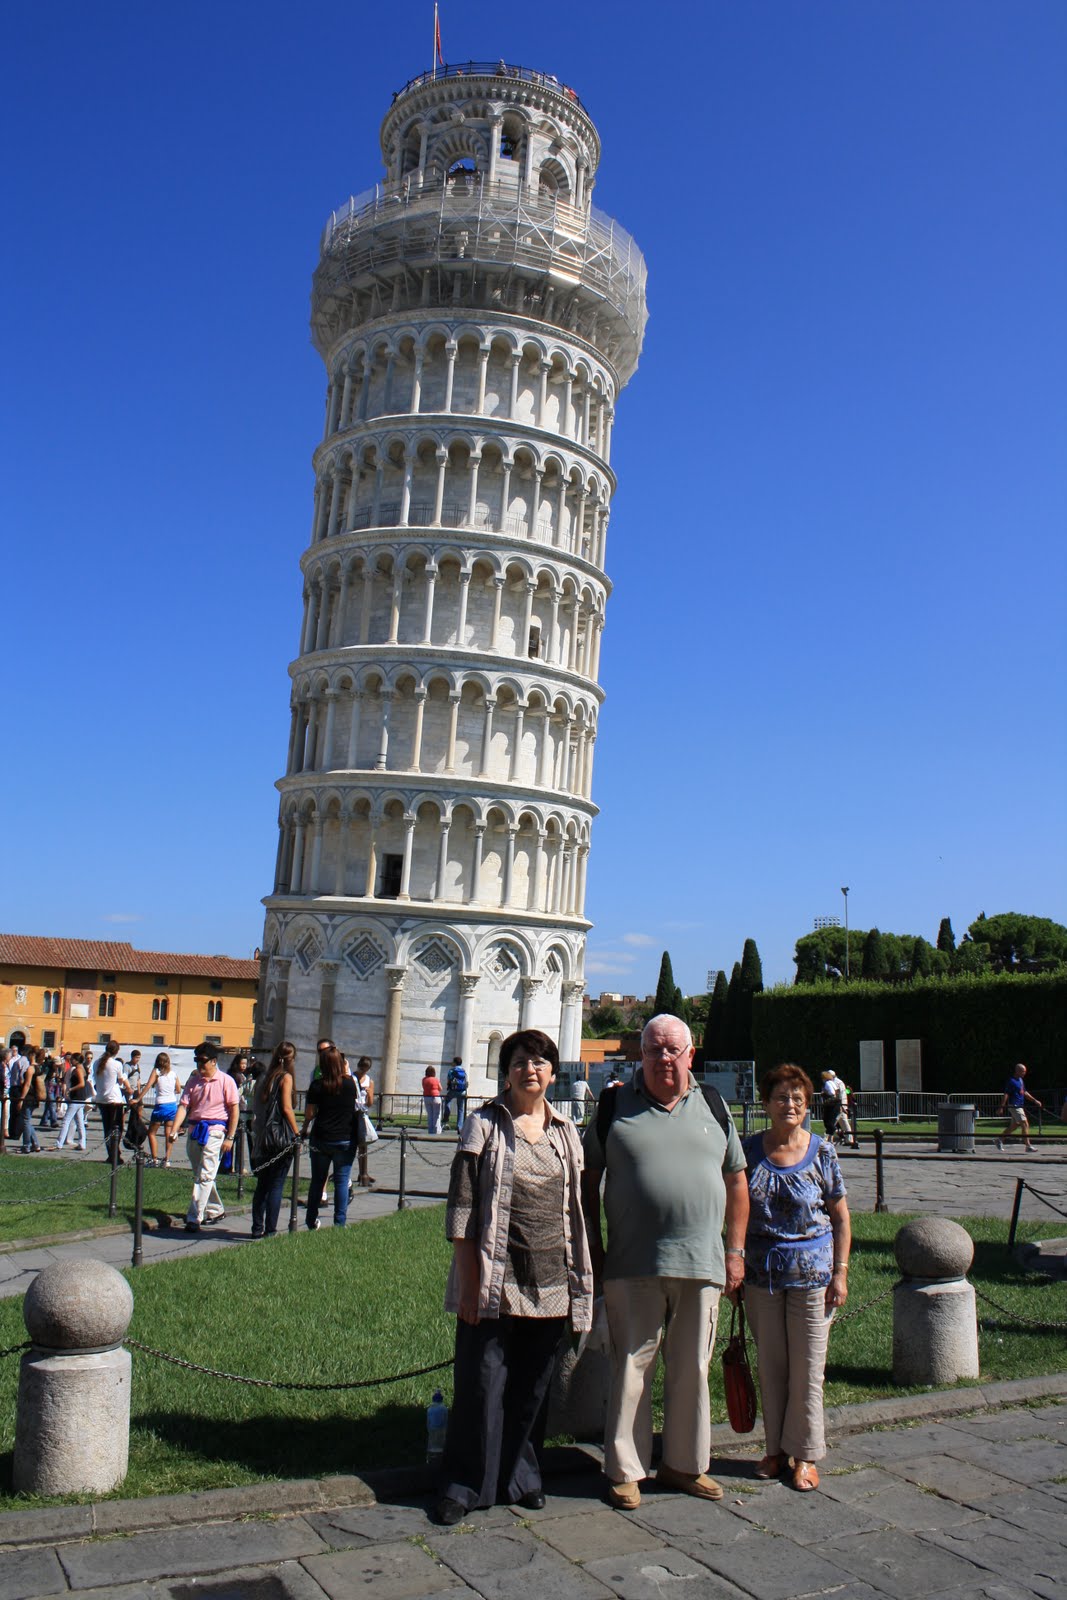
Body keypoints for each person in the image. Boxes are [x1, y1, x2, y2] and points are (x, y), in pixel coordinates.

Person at [582, 1013, 748, 1511]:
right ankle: (625, 1469)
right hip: (633, 1262)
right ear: (640, 1054)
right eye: (654, 1049)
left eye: (673, 1049)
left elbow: (737, 1180)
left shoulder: (714, 1105)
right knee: (631, 1365)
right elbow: (587, 1181)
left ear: (690, 1055)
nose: (664, 1058)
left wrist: (736, 1251)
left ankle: (684, 1464)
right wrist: (594, 1246)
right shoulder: (614, 1104)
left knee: (692, 1368)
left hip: (702, 1262)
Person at [435, 1028, 593, 1525]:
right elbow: (462, 1205)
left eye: (541, 1061)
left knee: (532, 1387)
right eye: (522, 1060)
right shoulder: (483, 1124)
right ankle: (466, 1484)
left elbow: (577, 1210)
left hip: (551, 1278)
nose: (532, 1069)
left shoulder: (566, 1131)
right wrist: (466, 1277)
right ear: (507, 1070)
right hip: (493, 1277)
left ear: (552, 1072)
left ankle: (520, 1476)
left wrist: (583, 1280)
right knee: (482, 1384)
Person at [742, 1063, 850, 1493]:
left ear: (808, 1107)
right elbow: (734, 1212)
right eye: (781, 1097)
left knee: (808, 1369)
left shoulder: (822, 1152)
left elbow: (841, 1217)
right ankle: (773, 1450)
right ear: (766, 1104)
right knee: (771, 1365)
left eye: (798, 1099)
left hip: (813, 1276)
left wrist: (840, 1273)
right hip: (761, 1276)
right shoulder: (748, 1151)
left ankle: (805, 1454)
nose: (790, 1105)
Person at [168, 1041, 240, 1232]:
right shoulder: (194, 1081)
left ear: (214, 1061)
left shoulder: (226, 1081)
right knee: (200, 1174)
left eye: (203, 1061)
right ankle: (216, 1209)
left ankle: (194, 1218)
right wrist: (174, 1129)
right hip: (194, 1130)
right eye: (196, 1061)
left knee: (205, 1175)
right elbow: (184, 1106)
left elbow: (234, 1109)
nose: (199, 1065)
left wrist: (230, 1137)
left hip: (215, 1130)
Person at [301, 1045, 358, 1229]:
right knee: (342, 1181)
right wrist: (347, 1071)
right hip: (345, 1138)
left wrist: (305, 1127)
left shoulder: (317, 1085)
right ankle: (339, 1222)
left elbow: (309, 1113)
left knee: (317, 1181)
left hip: (321, 1137)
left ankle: (311, 1219)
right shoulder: (349, 1084)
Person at [250, 1041, 300, 1238]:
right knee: (276, 1184)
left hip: (263, 1136)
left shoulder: (265, 1077)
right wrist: (296, 1132)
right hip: (279, 1138)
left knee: (262, 1184)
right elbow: (287, 1108)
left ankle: (256, 1228)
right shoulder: (285, 1077)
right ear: (290, 1059)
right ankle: (271, 1229)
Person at [137, 1052, 182, 1166]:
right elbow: (178, 1089)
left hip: (160, 1105)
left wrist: (138, 1099)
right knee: (169, 1133)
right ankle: (167, 1159)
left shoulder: (156, 1072)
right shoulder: (173, 1074)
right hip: (172, 1105)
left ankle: (154, 1158)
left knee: (152, 1132)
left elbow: (148, 1086)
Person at [93, 1041, 131, 1161]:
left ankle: (111, 1153)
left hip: (101, 1098)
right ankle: (115, 1153)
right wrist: (125, 1078)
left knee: (107, 1127)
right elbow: (120, 1081)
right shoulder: (116, 1064)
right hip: (114, 1099)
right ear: (116, 1051)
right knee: (116, 1127)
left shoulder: (96, 1063)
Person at [995, 1064, 1042, 1153]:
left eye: (1025, 1071)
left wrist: (1035, 1100)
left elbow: (1024, 1092)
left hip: (1020, 1105)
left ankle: (999, 1139)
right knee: (1025, 1123)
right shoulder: (1011, 1081)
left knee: (1015, 1125)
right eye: (1023, 1071)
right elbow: (1006, 1094)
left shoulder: (1021, 1080)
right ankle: (1028, 1146)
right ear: (1017, 1071)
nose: (1025, 1073)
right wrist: (1001, 1107)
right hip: (1014, 1105)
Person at [55, 1054, 90, 1150]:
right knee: (80, 1122)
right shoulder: (83, 1068)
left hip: (76, 1098)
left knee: (66, 1121)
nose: (71, 1061)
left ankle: (59, 1143)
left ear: (76, 1060)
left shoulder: (78, 1070)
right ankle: (82, 1143)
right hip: (81, 1098)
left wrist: (70, 1089)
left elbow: (82, 1083)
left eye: (72, 1059)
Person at [14, 1048, 45, 1153]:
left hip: (29, 1097)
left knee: (26, 1122)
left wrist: (21, 1099)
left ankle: (26, 1145)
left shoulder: (31, 1068)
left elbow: (27, 1085)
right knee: (27, 1121)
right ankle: (35, 1144)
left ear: (32, 1055)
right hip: (35, 1096)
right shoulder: (38, 1068)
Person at [354, 1055, 376, 1187]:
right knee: (349, 1145)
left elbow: (370, 1103)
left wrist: (368, 1094)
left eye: (366, 1069)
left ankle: (363, 1173)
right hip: (351, 1113)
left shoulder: (369, 1081)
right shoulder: (351, 1078)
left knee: (363, 1145)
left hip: (362, 1114)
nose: (364, 1071)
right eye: (362, 1068)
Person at [442, 1056, 467, 1131]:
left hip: (453, 1090)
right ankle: (460, 1126)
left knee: (447, 1102)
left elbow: (448, 1080)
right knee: (460, 1109)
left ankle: (446, 1119)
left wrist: (449, 1086)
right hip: (462, 1091)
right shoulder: (463, 1070)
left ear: (455, 1062)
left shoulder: (452, 1070)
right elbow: (466, 1080)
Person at [423, 1065, 443, 1134]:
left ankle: (430, 1130)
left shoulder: (424, 1079)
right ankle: (437, 1130)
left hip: (426, 1097)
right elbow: (440, 1088)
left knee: (430, 1115)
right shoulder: (436, 1079)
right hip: (435, 1097)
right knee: (437, 1115)